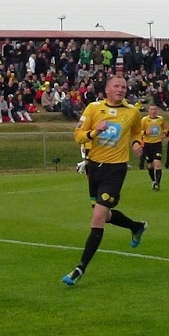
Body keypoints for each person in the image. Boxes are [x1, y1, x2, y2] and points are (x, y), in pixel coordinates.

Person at [63, 74, 148, 286]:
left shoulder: (132, 112)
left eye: (124, 86)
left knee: (98, 217)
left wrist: (137, 143)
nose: (121, 89)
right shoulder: (93, 109)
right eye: (117, 86)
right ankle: (136, 226)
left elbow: (137, 131)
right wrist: (94, 132)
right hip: (94, 168)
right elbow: (78, 135)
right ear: (107, 89)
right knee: (104, 214)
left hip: (115, 170)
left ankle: (79, 268)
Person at [139, 103, 166, 190]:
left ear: (157, 110)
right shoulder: (144, 120)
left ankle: (158, 183)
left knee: (157, 163)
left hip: (157, 144)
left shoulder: (161, 119)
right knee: (150, 165)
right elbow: (138, 131)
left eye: (154, 109)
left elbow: (165, 128)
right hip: (147, 145)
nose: (153, 111)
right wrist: (146, 132)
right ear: (148, 111)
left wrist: (164, 134)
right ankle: (153, 181)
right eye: (151, 109)